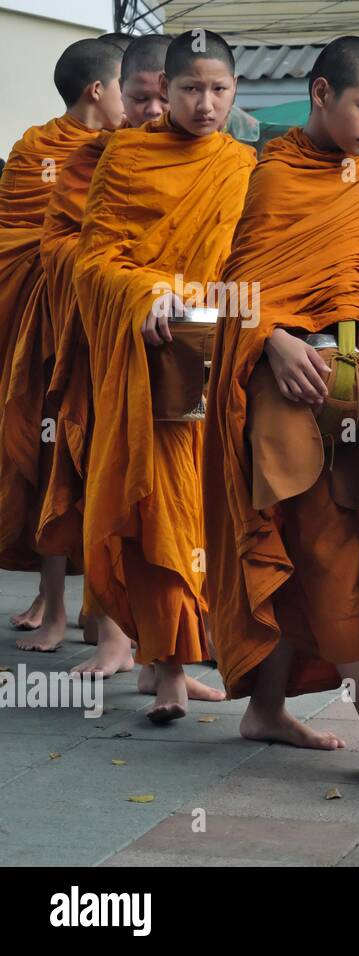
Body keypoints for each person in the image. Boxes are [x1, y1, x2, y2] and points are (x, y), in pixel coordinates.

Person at [204, 36, 359, 774]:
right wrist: (272, 339)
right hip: (272, 397)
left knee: (313, 552)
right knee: (327, 553)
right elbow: (226, 288)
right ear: (321, 94)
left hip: (347, 395)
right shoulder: (267, 179)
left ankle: (267, 711)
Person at [70, 30, 255, 721]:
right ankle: (169, 672)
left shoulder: (242, 166)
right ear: (164, 90)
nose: (205, 104)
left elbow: (255, 262)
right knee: (156, 508)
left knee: (208, 515)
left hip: (220, 360)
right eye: (190, 90)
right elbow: (95, 262)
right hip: (149, 364)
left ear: (235, 91)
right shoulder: (128, 157)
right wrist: (151, 294)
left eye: (218, 90)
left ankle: (176, 659)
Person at [0, 38, 123, 644]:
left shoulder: (126, 153)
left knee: (96, 459)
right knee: (51, 451)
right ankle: (53, 601)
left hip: (102, 318)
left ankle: (104, 608)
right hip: (39, 324)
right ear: (99, 91)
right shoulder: (37, 150)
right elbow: (21, 237)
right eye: (134, 88)